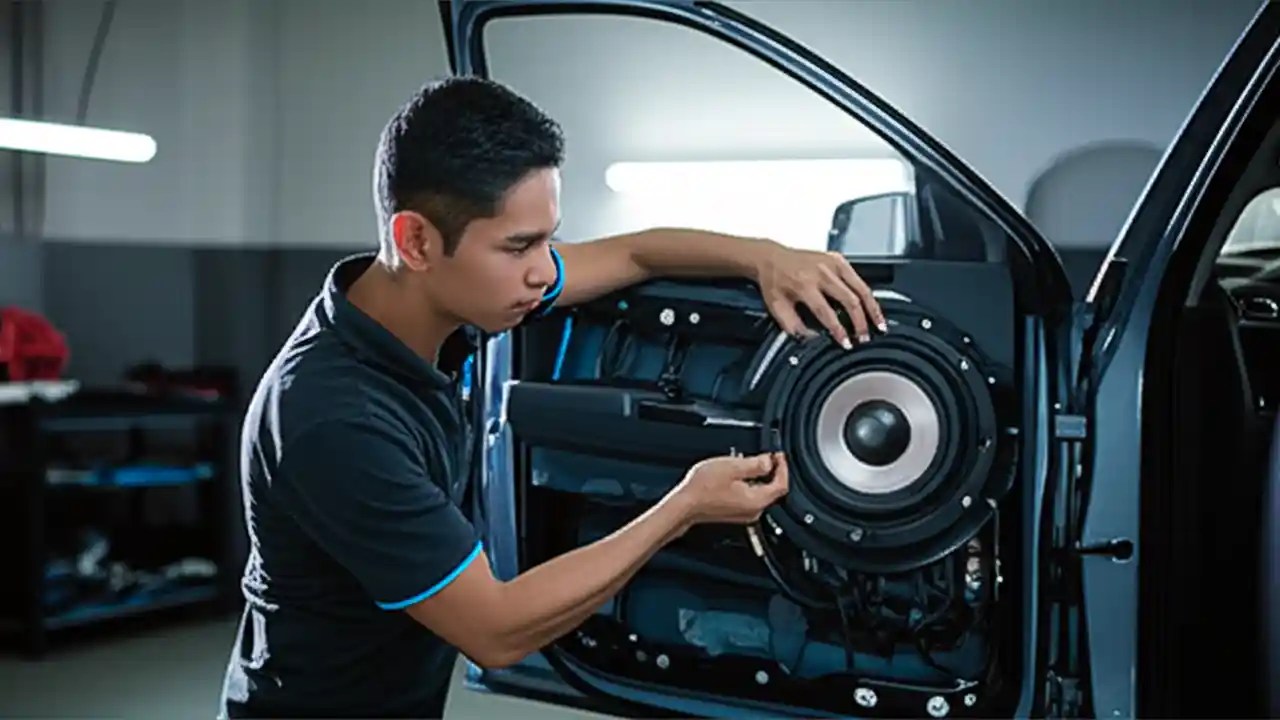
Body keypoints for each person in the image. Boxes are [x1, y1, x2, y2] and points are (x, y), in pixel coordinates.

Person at [218, 76, 886, 719]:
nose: (544, 270)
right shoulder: (334, 418)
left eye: (547, 237)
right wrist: (683, 507)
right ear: (416, 241)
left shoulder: (441, 300)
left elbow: (635, 256)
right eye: (519, 246)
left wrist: (766, 257)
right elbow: (495, 629)